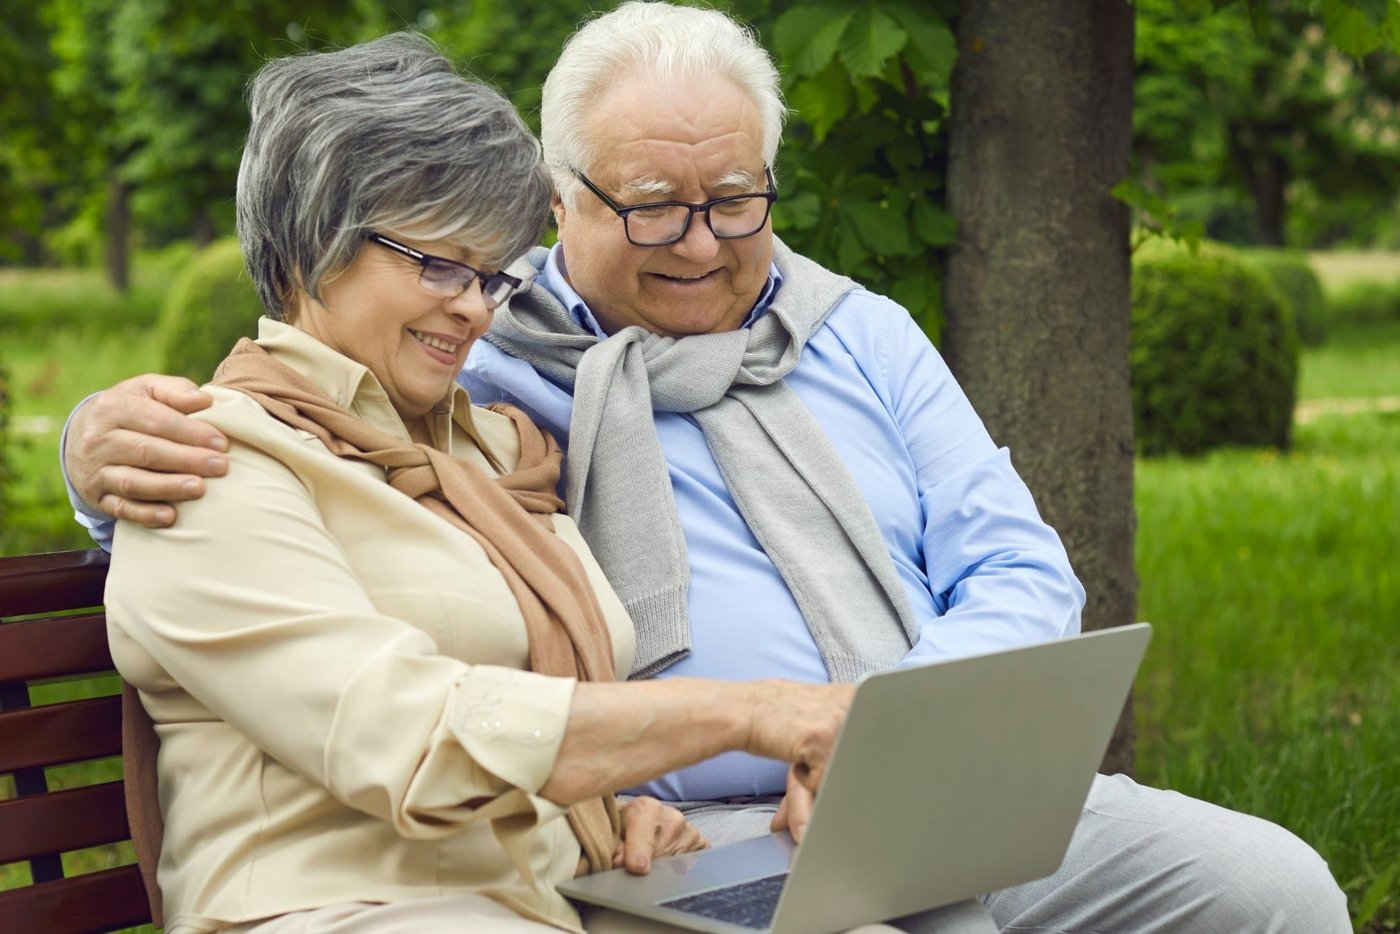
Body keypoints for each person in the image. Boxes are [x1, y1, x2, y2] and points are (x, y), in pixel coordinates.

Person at [66, 4, 1351, 932]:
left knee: (1272, 890)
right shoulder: (493, 376)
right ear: (560, 205)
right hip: (629, 847)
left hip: (892, 782)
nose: (698, 242)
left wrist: (885, 745)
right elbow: (274, 492)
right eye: (650, 206)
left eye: (733, 199)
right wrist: (94, 455)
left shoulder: (834, 338)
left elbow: (1017, 567)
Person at [96, 31, 866, 934]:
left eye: (490, 272)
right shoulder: (207, 465)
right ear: (309, 252)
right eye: (435, 264)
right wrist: (753, 713)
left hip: (551, 901)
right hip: (342, 912)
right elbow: (407, 737)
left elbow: (528, 706)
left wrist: (608, 812)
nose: (473, 305)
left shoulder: (497, 457)